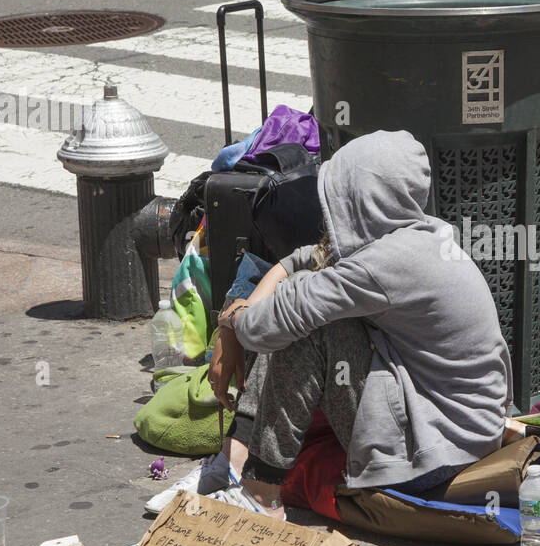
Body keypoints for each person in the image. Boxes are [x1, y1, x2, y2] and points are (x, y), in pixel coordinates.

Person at [209, 129, 513, 501]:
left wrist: (232, 318)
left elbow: (263, 328)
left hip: (440, 452)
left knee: (308, 325)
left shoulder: (385, 265)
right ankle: (234, 461)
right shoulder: (421, 236)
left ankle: (259, 494)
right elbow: (308, 258)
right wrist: (248, 309)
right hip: (466, 434)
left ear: (363, 198)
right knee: (300, 298)